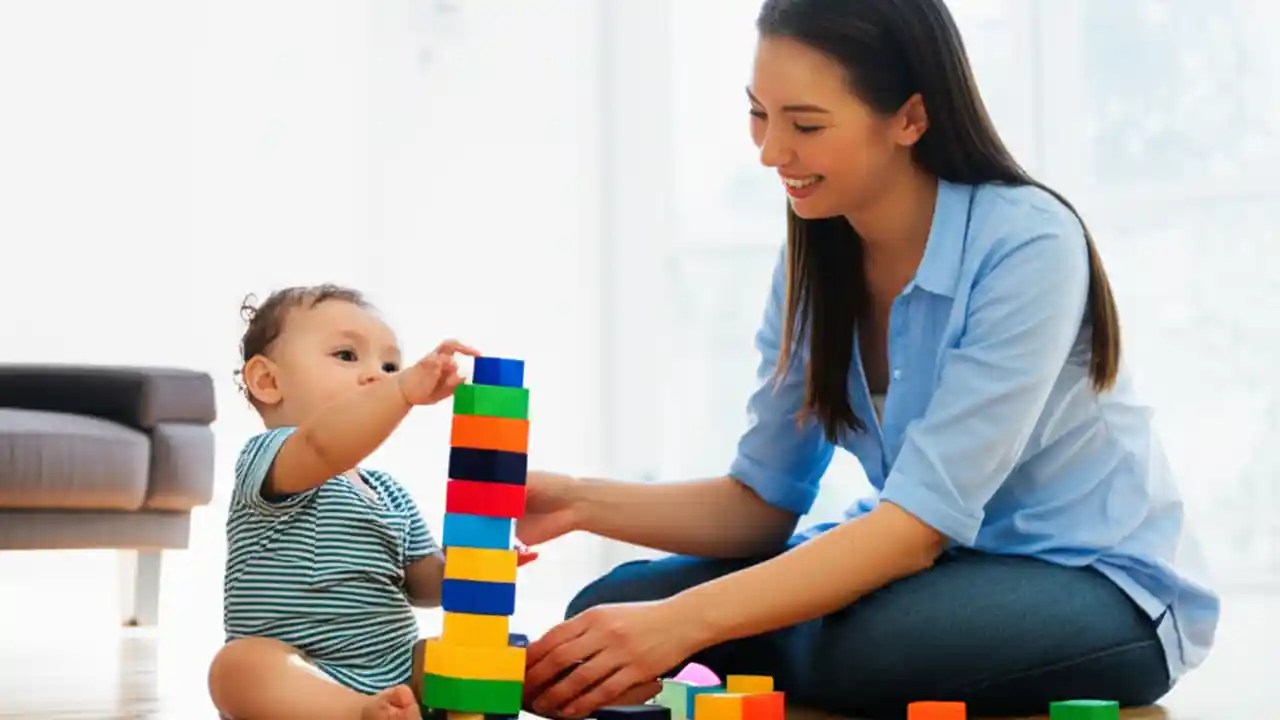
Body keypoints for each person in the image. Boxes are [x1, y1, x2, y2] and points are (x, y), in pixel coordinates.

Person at [517, 1, 1219, 718]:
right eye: (759, 114)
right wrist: (574, 502)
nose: (770, 152)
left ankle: (778, 651)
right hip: (933, 568)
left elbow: (914, 530)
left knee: (864, 646)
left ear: (909, 118)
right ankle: (782, 647)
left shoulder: (1027, 243)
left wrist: (682, 627)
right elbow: (760, 505)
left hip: (1094, 580)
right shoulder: (813, 259)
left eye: (806, 125)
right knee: (614, 601)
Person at [207, 284, 488, 720]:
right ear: (268, 381)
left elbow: (428, 587)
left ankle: (417, 706)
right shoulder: (270, 456)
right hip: (299, 675)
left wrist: (476, 555)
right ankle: (357, 711)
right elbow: (322, 445)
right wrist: (402, 391)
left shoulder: (389, 493)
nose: (379, 376)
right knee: (237, 667)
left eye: (390, 366)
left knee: (465, 653)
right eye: (346, 355)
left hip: (397, 673)